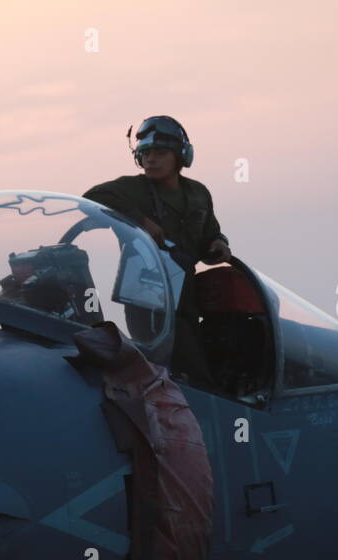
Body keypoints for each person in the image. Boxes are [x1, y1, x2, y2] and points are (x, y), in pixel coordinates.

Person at [85, 116, 230, 382]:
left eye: (160, 153)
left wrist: (219, 243)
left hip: (186, 296)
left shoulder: (198, 193)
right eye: (145, 153)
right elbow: (91, 199)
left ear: (180, 156)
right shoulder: (132, 189)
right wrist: (140, 222)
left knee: (204, 365)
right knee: (176, 372)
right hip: (147, 300)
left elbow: (211, 231)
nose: (151, 159)